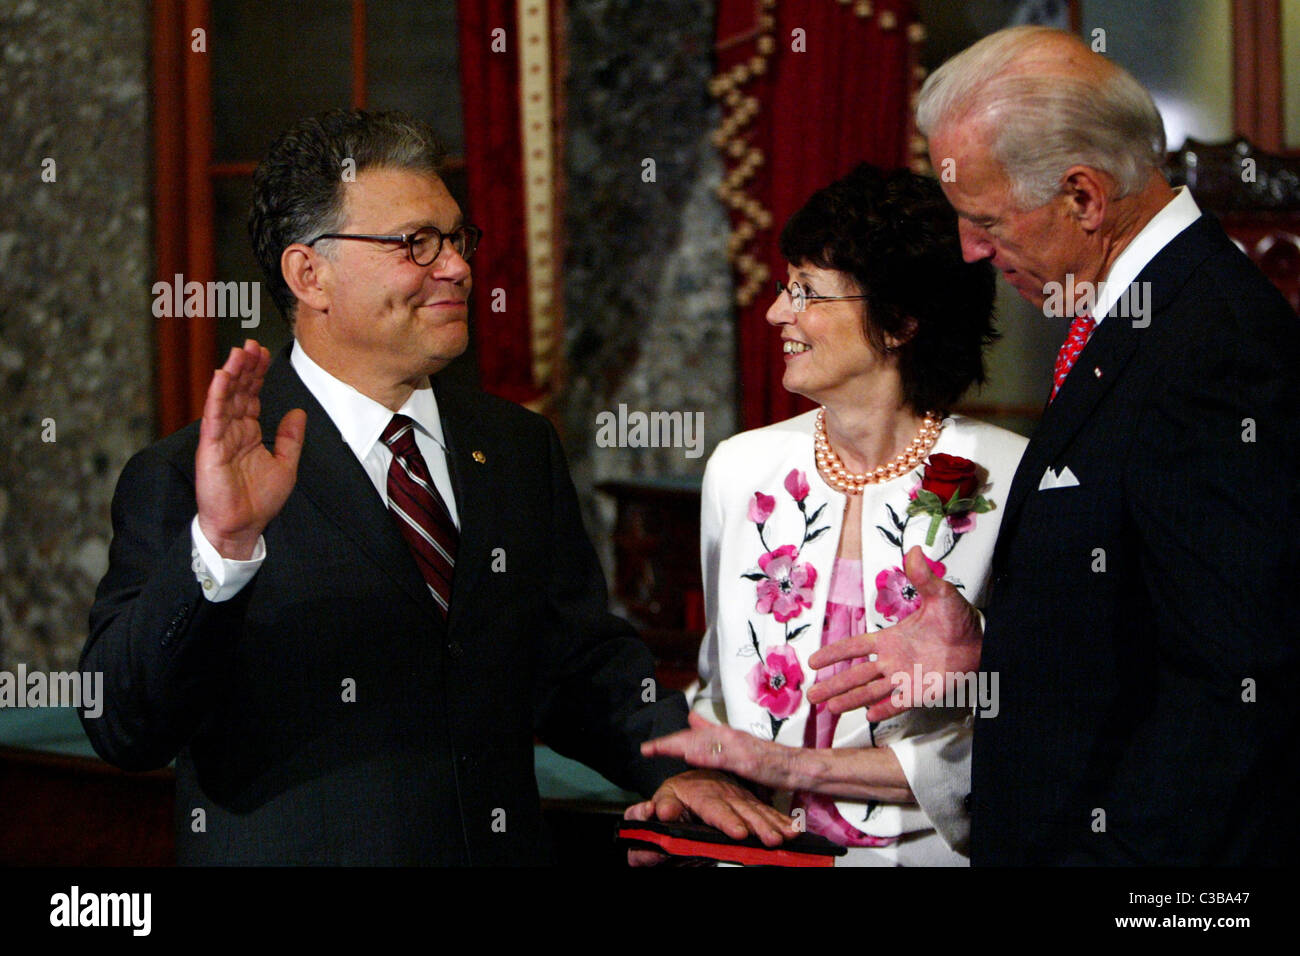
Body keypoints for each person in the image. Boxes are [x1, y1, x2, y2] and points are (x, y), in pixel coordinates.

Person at [80, 108, 790, 865]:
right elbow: (125, 725)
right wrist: (221, 549)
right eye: (415, 243)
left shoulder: (515, 446)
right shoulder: (191, 476)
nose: (455, 266)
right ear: (308, 275)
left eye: (456, 239)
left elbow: (578, 664)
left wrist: (683, 766)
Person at [805, 26, 1300, 864]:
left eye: (985, 220)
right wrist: (996, 648)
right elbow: (1142, 620)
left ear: (1083, 198)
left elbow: (1237, 688)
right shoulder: (1140, 315)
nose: (968, 250)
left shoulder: (1213, 346)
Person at [634, 164, 1028, 865]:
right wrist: (693, 796)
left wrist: (799, 769)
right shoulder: (740, 467)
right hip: (756, 852)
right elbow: (722, 688)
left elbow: (1033, 725)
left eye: (806, 292)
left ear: (902, 320)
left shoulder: (1008, 474)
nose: (776, 314)